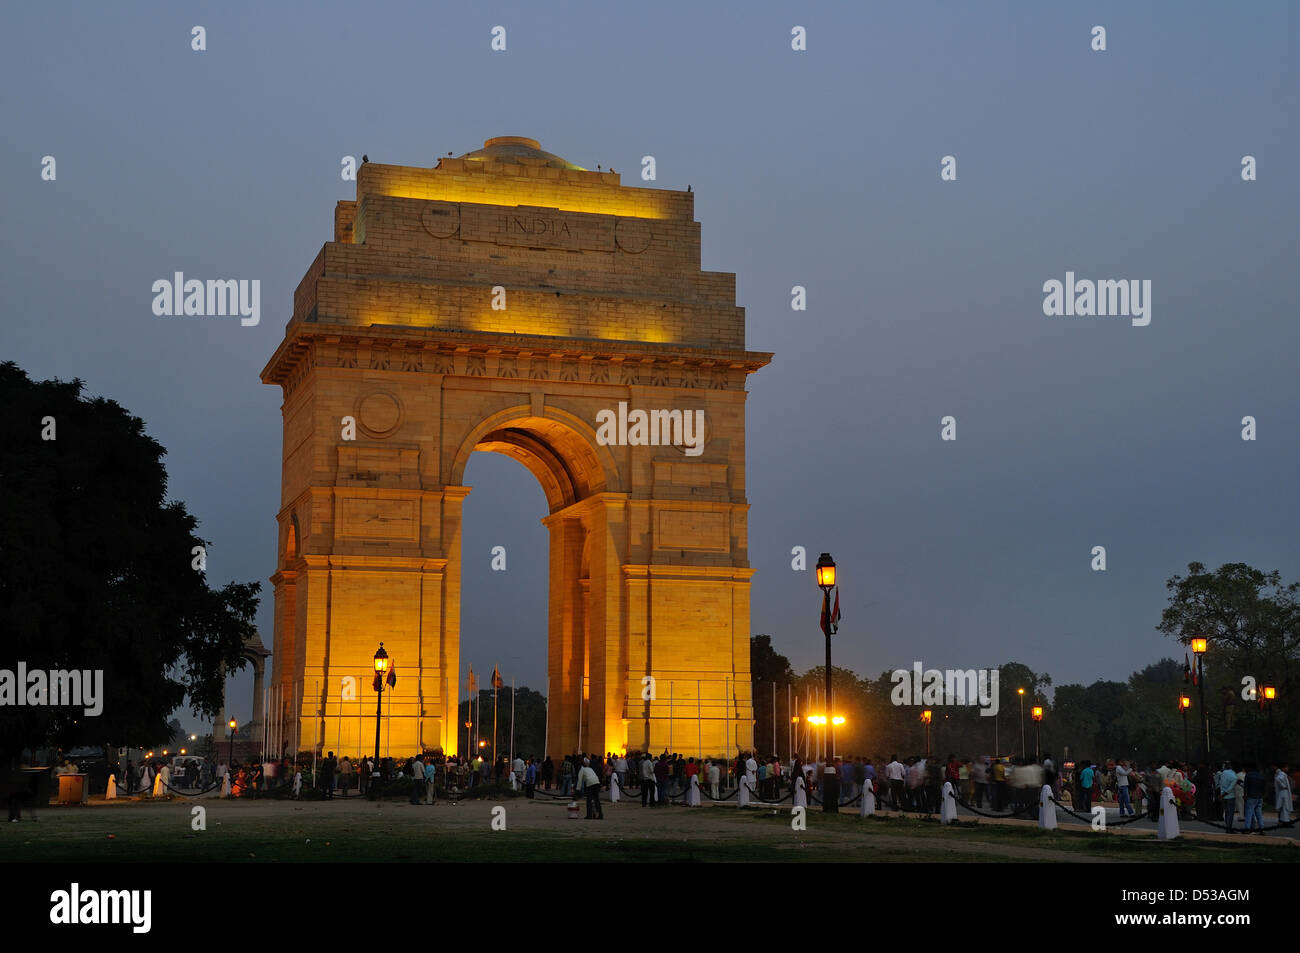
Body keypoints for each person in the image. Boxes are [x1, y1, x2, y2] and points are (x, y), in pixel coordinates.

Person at [1243, 764, 1265, 833]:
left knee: (1249, 813)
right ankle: (1261, 828)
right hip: (1260, 797)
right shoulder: (1261, 776)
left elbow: (1245, 786)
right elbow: (1264, 787)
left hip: (1251, 796)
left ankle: (1247, 828)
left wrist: (1245, 795)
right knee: (1259, 814)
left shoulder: (1248, 775)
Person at [1218, 763, 1238, 831]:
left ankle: (1227, 826)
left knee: (1226, 812)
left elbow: (1220, 783)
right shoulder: (1233, 774)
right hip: (1230, 796)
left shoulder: (1222, 773)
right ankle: (1229, 828)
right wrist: (1224, 794)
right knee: (1230, 813)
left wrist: (1222, 795)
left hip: (1223, 796)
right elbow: (1231, 787)